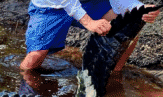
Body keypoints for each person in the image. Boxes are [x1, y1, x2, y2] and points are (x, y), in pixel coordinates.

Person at [20, 0, 160, 70]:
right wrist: (89, 22)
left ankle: (114, 75)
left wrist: (138, 8)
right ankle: (23, 90)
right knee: (36, 55)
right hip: (51, 5)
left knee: (130, 24)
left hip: (89, 3)